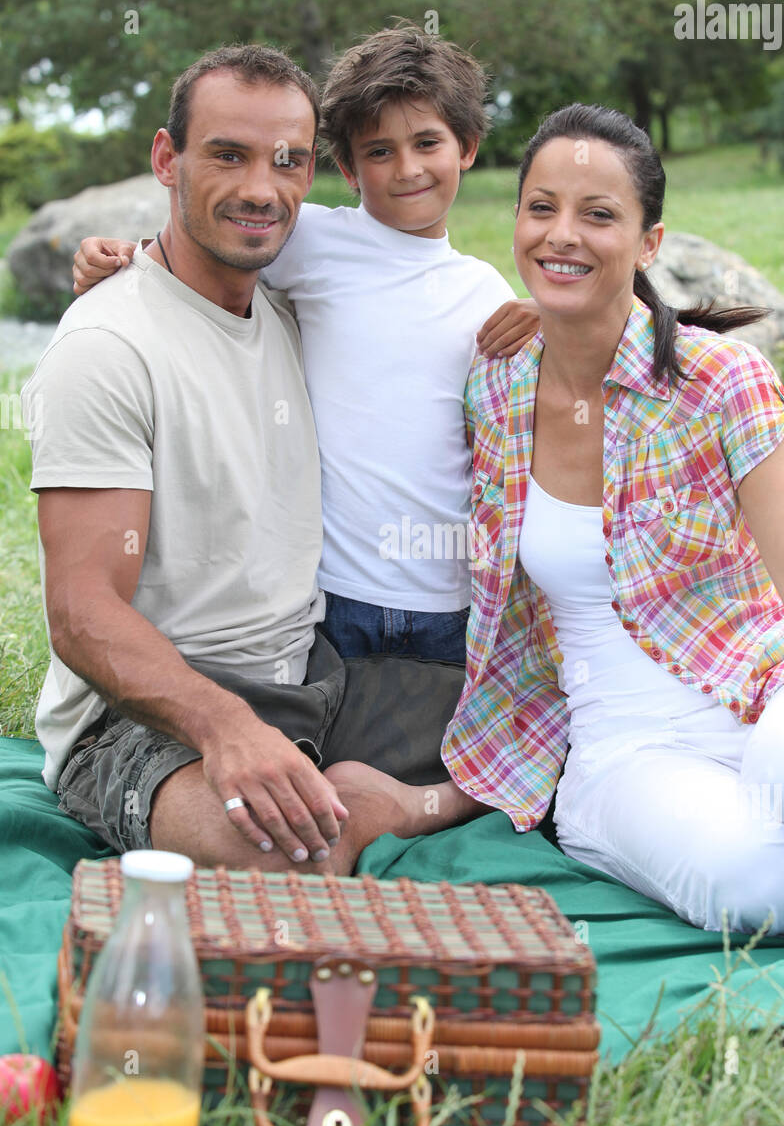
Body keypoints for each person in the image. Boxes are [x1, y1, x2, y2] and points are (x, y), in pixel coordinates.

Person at [22, 44, 487, 876]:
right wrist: (224, 727)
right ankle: (345, 804)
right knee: (289, 854)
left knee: (549, 747)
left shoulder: (288, 304)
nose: (260, 188)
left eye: (288, 161)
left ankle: (387, 800)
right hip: (146, 717)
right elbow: (82, 613)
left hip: (317, 673)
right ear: (167, 160)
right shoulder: (106, 345)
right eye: (227, 155)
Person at [441, 103, 784, 937]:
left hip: (769, 685)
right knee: (752, 884)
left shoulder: (721, 382)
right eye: (542, 208)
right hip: (621, 752)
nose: (562, 234)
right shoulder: (492, 388)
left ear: (650, 243)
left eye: (599, 215)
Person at [71, 24, 539, 666]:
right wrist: (117, 253)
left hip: (451, 597)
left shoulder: (485, 290)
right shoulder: (312, 240)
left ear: (468, 148)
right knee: (333, 736)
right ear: (346, 168)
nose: (407, 169)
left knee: (448, 748)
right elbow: (210, 241)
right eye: (379, 152)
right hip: (331, 597)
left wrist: (552, 315)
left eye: (428, 143)